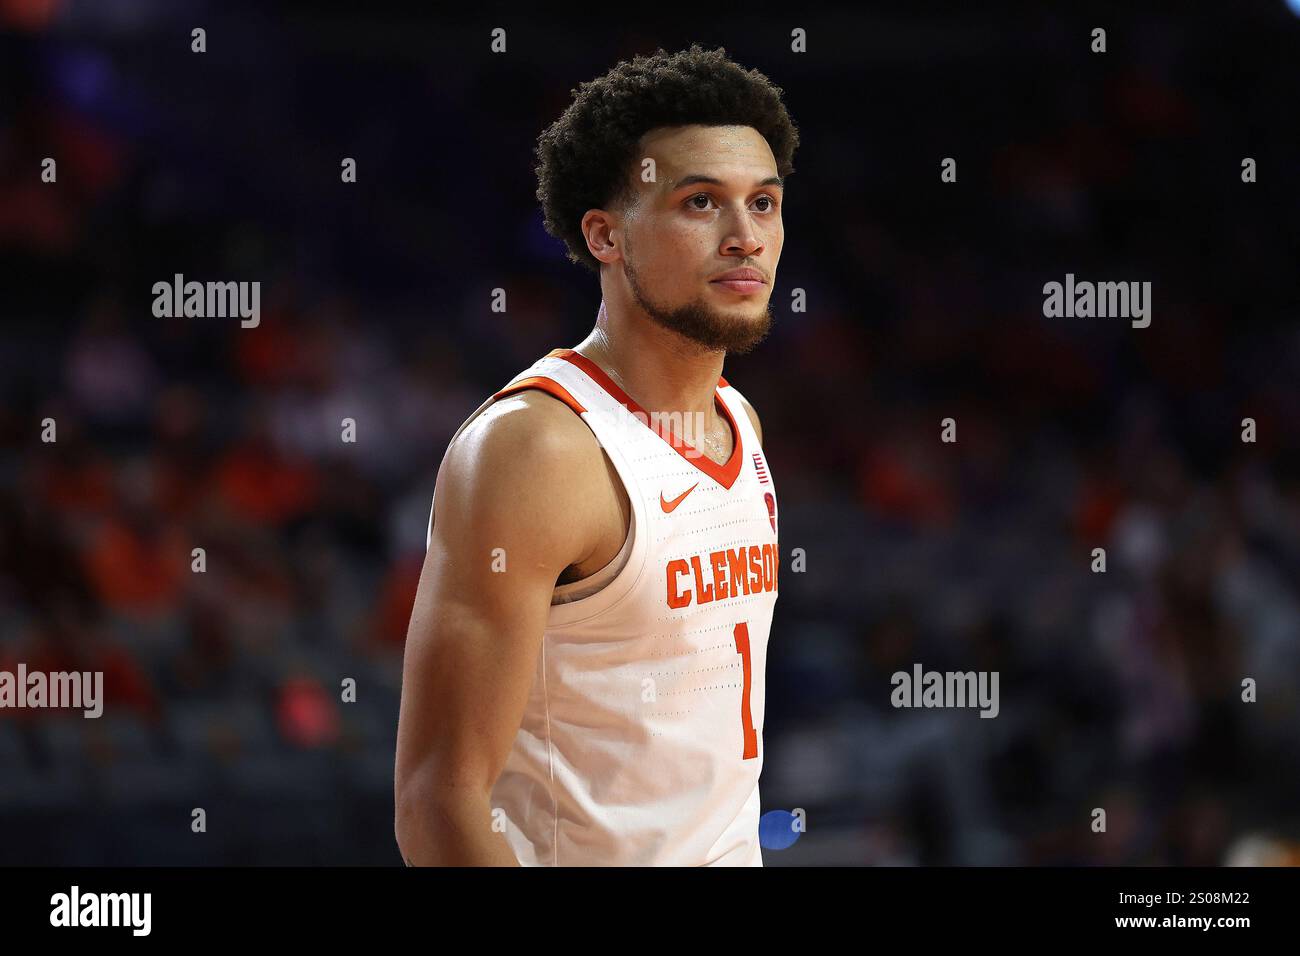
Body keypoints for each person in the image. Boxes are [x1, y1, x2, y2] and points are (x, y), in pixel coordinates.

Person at [395, 44, 798, 866]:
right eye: (699, 204)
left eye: (763, 204)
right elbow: (438, 801)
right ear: (606, 234)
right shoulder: (537, 449)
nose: (744, 238)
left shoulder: (738, 421)